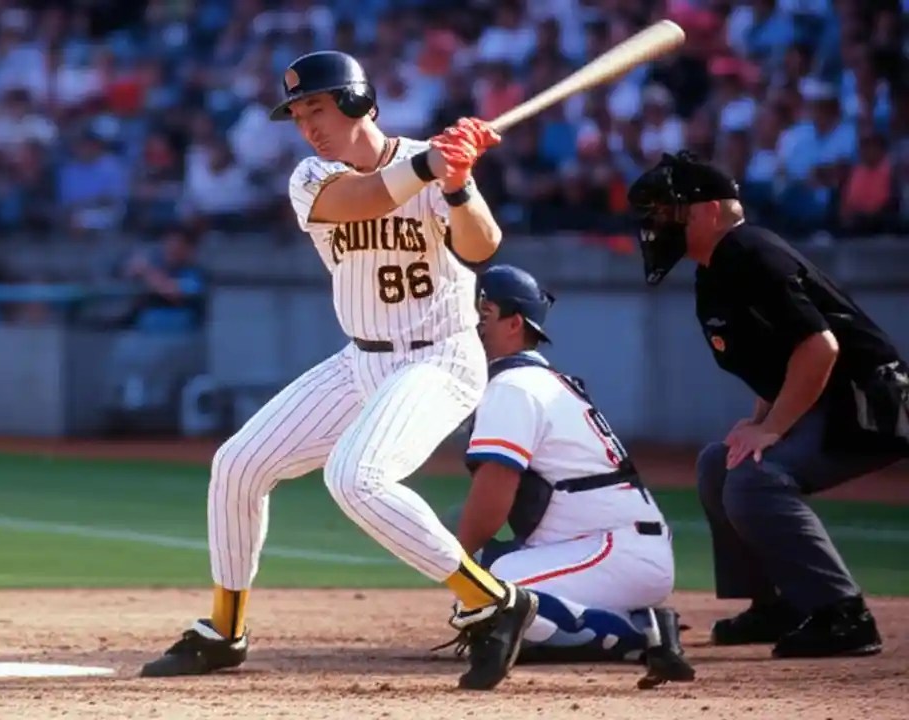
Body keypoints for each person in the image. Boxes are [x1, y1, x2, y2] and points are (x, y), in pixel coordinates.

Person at [140, 50, 539, 691]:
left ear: (359, 103)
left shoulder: (431, 163)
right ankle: (225, 630)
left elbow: (481, 246)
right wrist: (430, 166)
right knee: (238, 465)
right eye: (298, 113)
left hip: (438, 355)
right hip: (361, 359)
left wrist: (458, 182)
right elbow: (360, 201)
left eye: (318, 108)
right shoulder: (313, 177)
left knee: (357, 477)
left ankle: (492, 600)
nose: (308, 125)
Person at [626, 151, 909, 658]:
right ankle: (777, 602)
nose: (659, 222)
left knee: (758, 477)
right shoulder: (715, 270)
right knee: (721, 462)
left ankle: (844, 615)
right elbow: (775, 360)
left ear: (711, 211)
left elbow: (819, 346)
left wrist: (773, 428)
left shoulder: (749, 252)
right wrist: (758, 421)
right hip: (833, 399)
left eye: (672, 210)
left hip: (871, 403)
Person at [437, 264, 694, 689]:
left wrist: (449, 562)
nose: (469, 326)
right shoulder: (533, 380)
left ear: (514, 323)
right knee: (480, 592)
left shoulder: (514, 386)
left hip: (613, 549)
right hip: (604, 545)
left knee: (488, 595)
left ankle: (640, 634)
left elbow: (493, 494)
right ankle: (624, 621)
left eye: (482, 314)